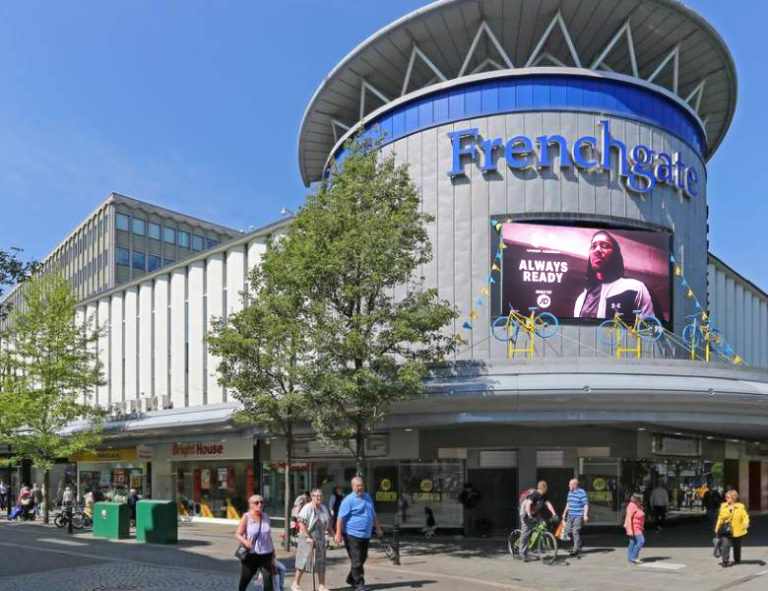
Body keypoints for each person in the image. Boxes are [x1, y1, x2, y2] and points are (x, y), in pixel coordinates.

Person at [574, 231, 660, 323]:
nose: (597, 250)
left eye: (605, 245)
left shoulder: (636, 288)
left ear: (615, 253)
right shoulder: (581, 299)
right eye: (593, 246)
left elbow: (651, 330)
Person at [334, 476, 382, 591]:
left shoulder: (367, 497)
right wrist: (338, 533)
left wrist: (378, 528)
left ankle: (352, 578)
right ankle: (359, 584)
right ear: (353, 487)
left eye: (361, 485)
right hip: (352, 534)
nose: (360, 488)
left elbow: (373, 514)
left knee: (363, 558)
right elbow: (340, 518)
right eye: (357, 486)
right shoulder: (348, 500)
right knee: (356, 560)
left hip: (366, 534)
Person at [293, 488, 333, 591]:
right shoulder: (307, 507)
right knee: (304, 560)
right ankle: (296, 583)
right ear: (312, 497)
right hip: (307, 536)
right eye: (316, 496)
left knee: (321, 561)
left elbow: (328, 525)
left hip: (320, 537)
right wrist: (307, 537)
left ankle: (322, 586)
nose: (319, 498)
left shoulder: (324, 508)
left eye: (320, 496)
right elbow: (301, 522)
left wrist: (334, 535)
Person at [235, 494, 275, 591]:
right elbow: (238, 534)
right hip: (251, 555)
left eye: (262, 502)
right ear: (251, 504)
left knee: (268, 583)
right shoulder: (246, 517)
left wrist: (273, 553)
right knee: (245, 579)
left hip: (266, 554)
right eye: (256, 503)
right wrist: (246, 542)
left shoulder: (266, 517)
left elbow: (268, 536)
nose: (260, 504)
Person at [519, 481, 558, 563]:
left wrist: (554, 514)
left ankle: (534, 544)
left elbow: (548, 504)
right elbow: (528, 504)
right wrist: (529, 516)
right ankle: (522, 553)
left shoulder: (543, 496)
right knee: (526, 533)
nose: (547, 489)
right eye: (546, 487)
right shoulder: (535, 494)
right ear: (544, 487)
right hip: (526, 513)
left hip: (535, 513)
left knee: (542, 524)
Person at [715, 489, 750, 567]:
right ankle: (725, 561)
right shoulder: (723, 505)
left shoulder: (740, 506)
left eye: (728, 497)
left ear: (733, 498)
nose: (726, 498)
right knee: (725, 545)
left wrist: (746, 523)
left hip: (737, 529)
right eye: (726, 497)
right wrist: (717, 527)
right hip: (726, 529)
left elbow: (745, 516)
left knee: (737, 546)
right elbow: (720, 517)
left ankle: (737, 559)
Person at [562, 478, 589, 557]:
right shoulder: (569, 492)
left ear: (575, 485)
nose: (568, 486)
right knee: (567, 531)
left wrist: (585, 515)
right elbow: (568, 503)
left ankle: (575, 549)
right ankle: (579, 542)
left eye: (570, 484)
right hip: (570, 515)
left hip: (578, 516)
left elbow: (585, 504)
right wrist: (564, 513)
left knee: (575, 532)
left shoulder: (582, 492)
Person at [625, 493, 646, 564]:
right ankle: (634, 557)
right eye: (641, 499)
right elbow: (628, 518)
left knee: (632, 542)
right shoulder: (631, 506)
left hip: (638, 527)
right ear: (637, 500)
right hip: (634, 527)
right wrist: (629, 530)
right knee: (641, 541)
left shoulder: (638, 505)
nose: (642, 501)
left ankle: (630, 558)